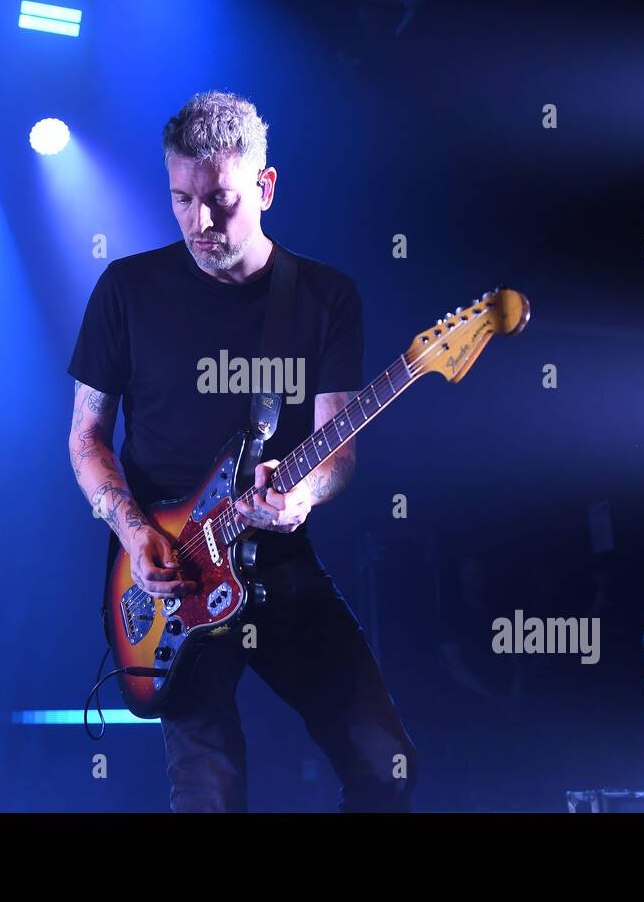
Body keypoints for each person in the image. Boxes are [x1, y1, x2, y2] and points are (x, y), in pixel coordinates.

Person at [67, 91, 415, 811]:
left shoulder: (323, 298)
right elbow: (86, 437)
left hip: (279, 567)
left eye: (220, 200)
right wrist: (134, 534)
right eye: (181, 199)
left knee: (386, 769)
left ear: (265, 187)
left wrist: (303, 494)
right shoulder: (126, 290)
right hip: (166, 577)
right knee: (209, 795)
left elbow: (339, 451)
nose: (199, 221)